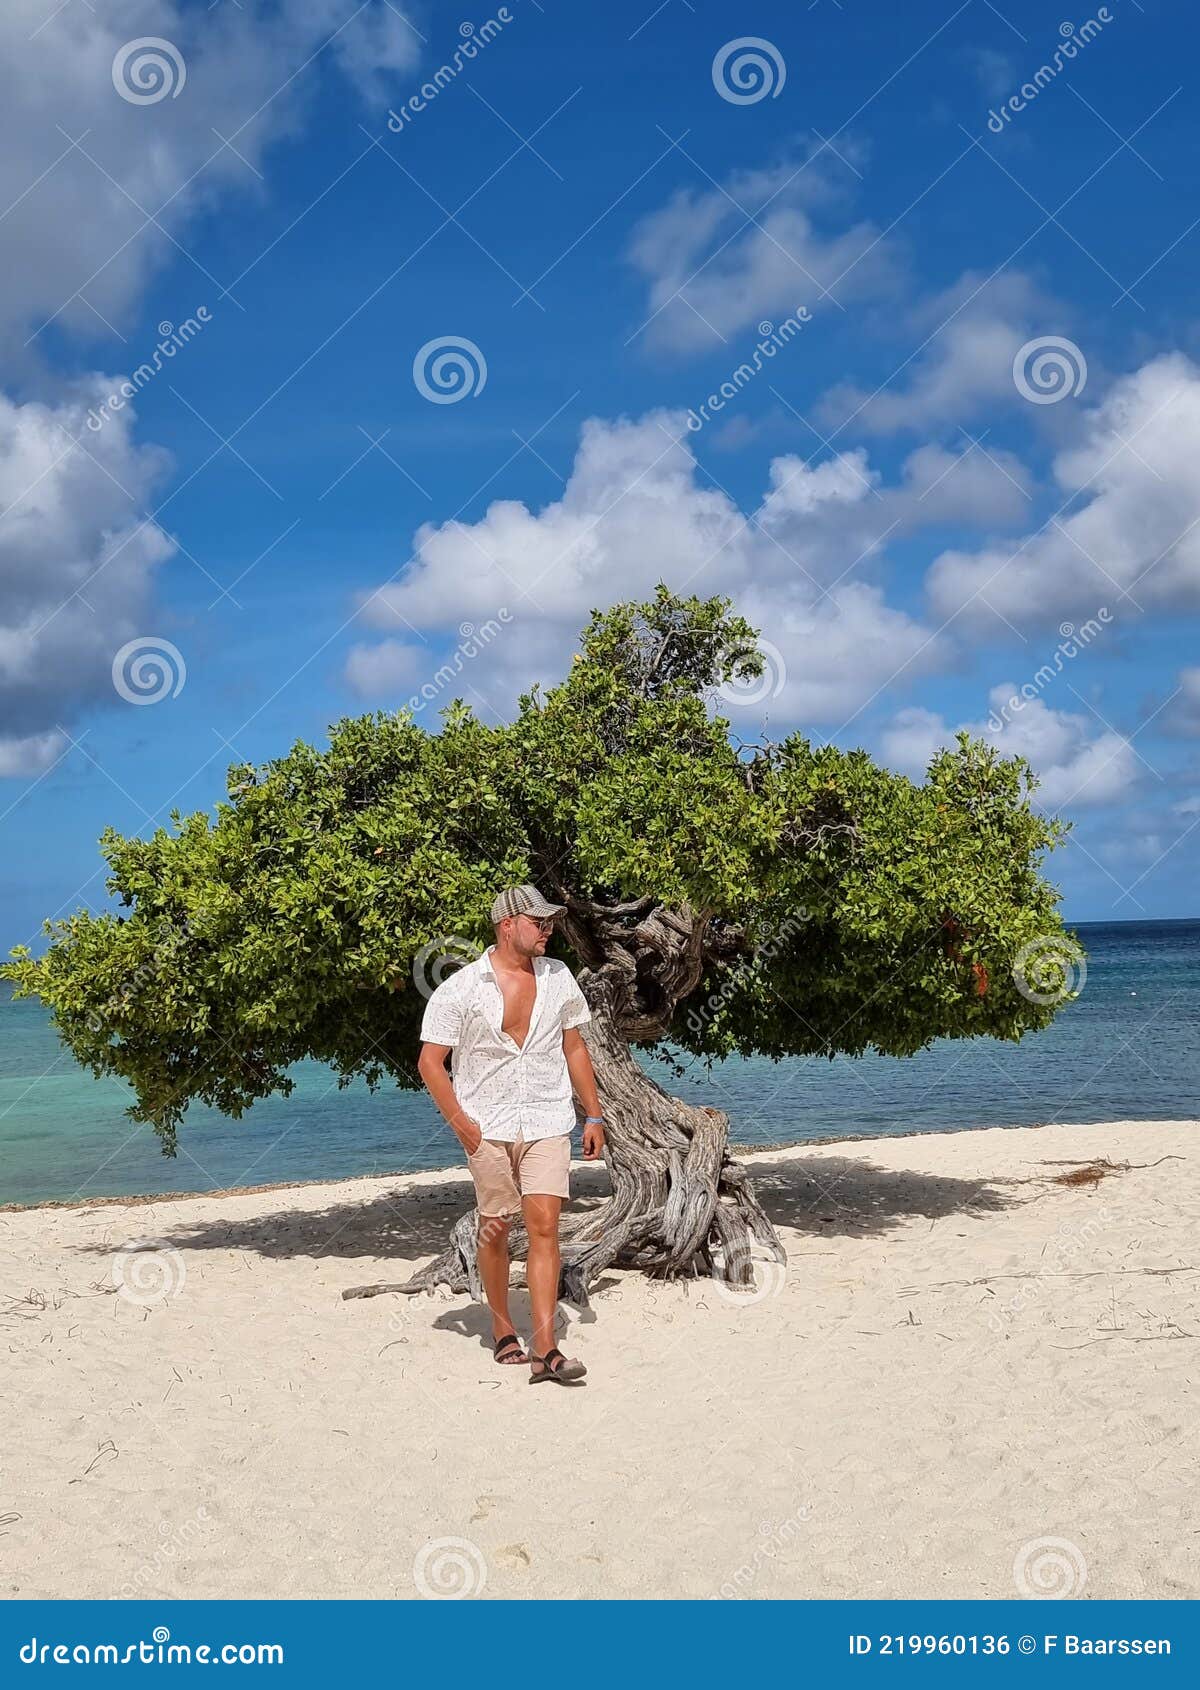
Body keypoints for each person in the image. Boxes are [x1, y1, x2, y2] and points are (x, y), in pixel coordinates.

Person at [417, 885, 606, 1384]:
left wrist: (594, 1115)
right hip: (489, 1126)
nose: (548, 930)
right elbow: (430, 1064)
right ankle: (502, 1329)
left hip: (546, 1118)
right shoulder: (460, 989)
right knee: (496, 1227)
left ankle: (546, 1347)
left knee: (545, 1227)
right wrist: (464, 1127)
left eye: (550, 922)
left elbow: (575, 1049)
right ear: (507, 925)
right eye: (538, 922)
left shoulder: (559, 976)